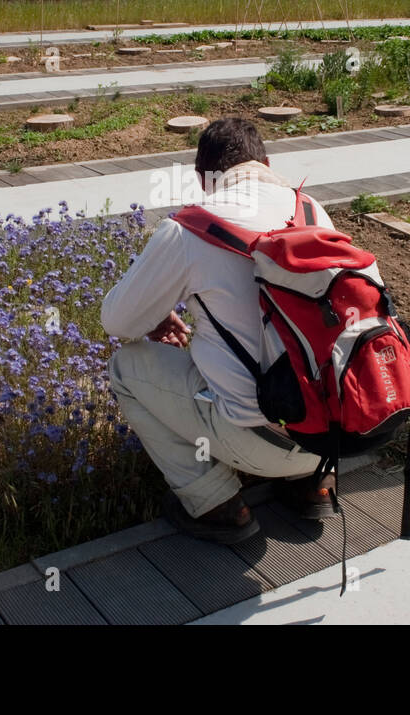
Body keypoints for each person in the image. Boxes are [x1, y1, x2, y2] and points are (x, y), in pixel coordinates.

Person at [101, 118, 334, 543]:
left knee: (125, 368)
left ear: (201, 179)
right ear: (266, 163)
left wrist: (154, 318)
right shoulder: (312, 210)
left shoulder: (190, 227)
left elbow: (117, 321)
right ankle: (311, 485)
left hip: (257, 442)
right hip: (339, 434)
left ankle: (217, 503)